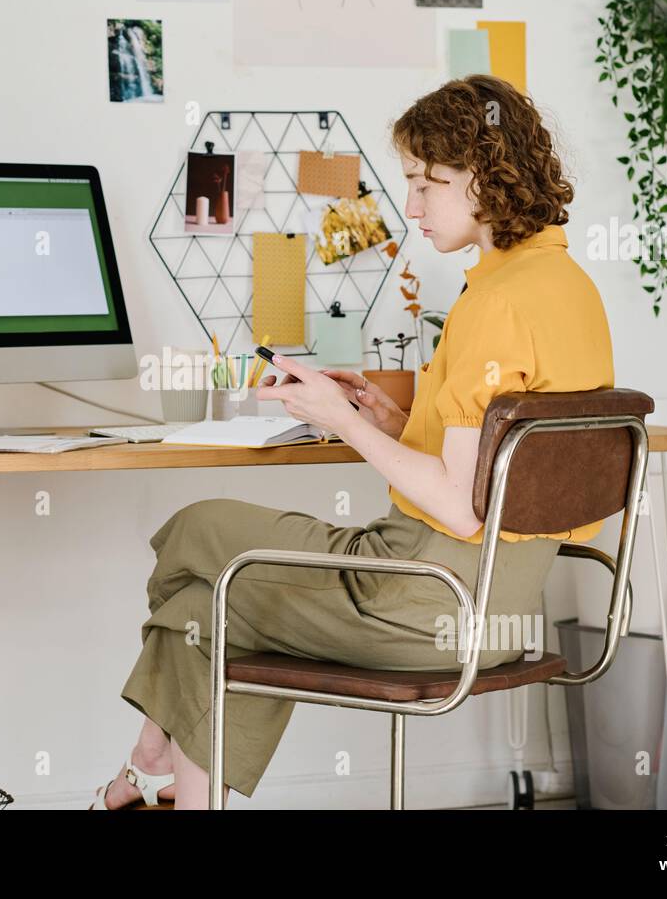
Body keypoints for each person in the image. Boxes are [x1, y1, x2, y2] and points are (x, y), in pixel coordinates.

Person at [91, 74, 615, 810]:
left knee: (196, 535)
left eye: (425, 182)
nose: (411, 205)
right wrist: (385, 420)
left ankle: (148, 769)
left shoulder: (495, 304)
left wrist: (338, 421)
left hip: (423, 598)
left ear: (486, 176)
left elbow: (464, 513)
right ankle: (156, 784)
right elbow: (501, 470)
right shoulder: (566, 287)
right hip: (505, 609)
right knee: (207, 603)